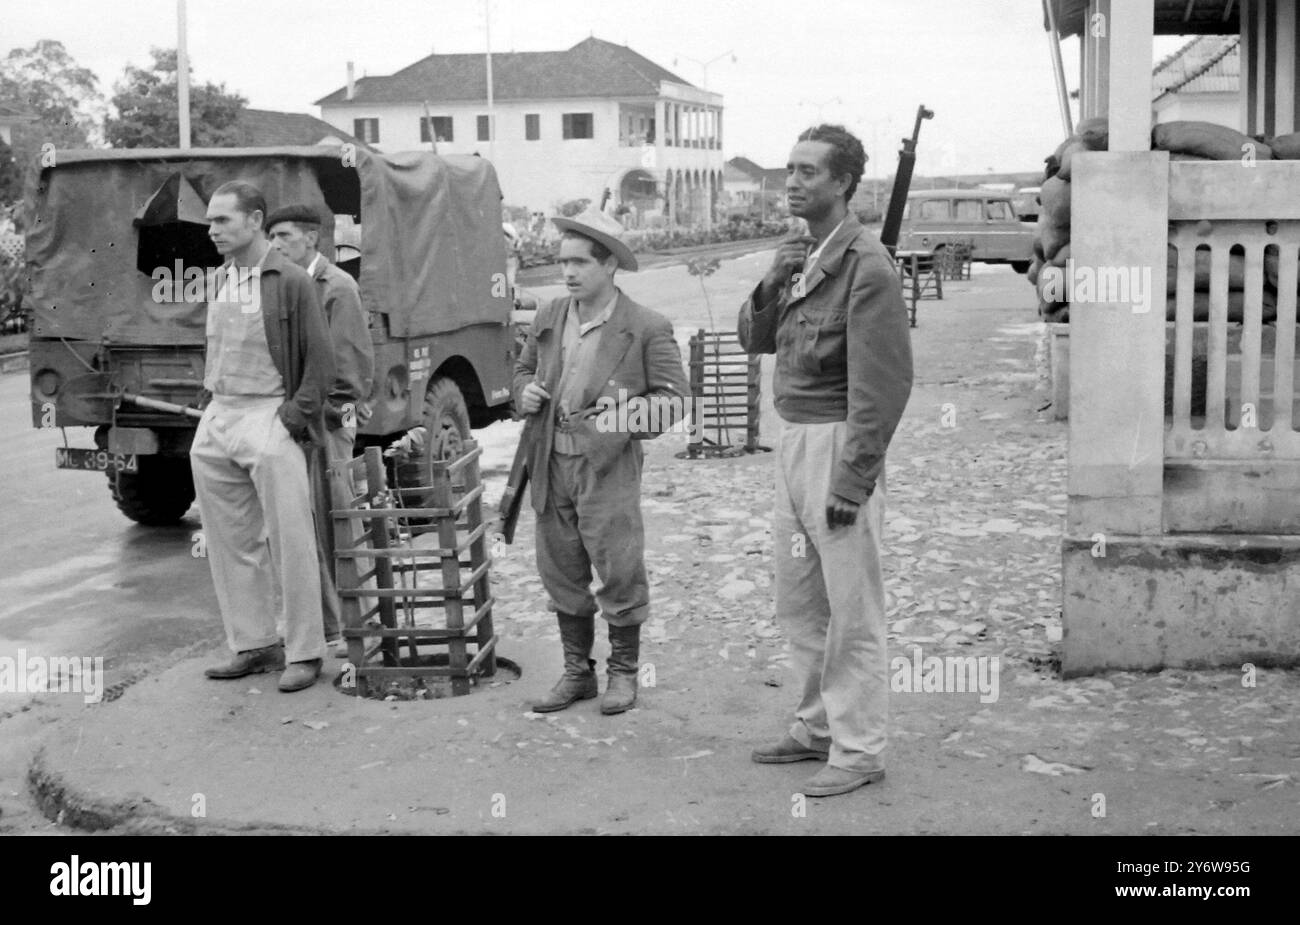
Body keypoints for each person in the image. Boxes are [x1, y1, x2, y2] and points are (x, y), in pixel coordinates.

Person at [738, 125, 913, 796]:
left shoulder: (865, 265)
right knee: (800, 601)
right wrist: (771, 279)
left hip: (838, 442)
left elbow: (884, 385)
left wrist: (854, 477)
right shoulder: (803, 256)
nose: (792, 180)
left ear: (843, 183)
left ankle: (861, 746)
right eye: (789, 168)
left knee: (852, 606)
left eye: (808, 171)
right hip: (795, 440)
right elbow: (756, 339)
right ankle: (815, 725)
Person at [514, 208, 689, 715]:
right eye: (561, 262)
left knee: (619, 568)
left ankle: (624, 674)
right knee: (561, 570)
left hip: (607, 467)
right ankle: (577, 673)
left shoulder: (646, 327)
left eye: (580, 263)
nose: (567, 273)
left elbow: (675, 400)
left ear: (609, 265)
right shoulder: (549, 316)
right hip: (550, 462)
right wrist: (523, 392)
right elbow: (524, 368)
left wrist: (620, 417)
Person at [192, 181, 335, 693]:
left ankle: (305, 652)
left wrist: (294, 418)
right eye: (211, 222)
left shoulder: (290, 280)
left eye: (222, 221)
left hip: (269, 416)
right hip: (221, 416)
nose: (212, 231)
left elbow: (322, 360)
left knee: (291, 539)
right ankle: (253, 644)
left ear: (254, 221)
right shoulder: (219, 279)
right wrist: (210, 408)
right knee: (229, 542)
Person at [266, 204, 375, 652]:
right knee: (296, 525)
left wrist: (323, 417)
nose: (275, 244)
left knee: (333, 523)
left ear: (311, 239)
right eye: (271, 235)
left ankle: (351, 628)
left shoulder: (336, 286)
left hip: (327, 421)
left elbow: (350, 371)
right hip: (295, 420)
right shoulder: (284, 286)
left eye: (284, 236)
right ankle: (319, 625)